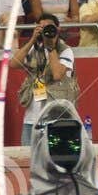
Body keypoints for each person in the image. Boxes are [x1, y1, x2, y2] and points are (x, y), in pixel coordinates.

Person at [13, 14, 78, 147]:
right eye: (43, 27)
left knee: (56, 159)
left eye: (50, 27)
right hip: (32, 119)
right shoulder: (34, 49)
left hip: (57, 118)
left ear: (58, 29)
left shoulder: (65, 51)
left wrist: (51, 47)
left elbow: (57, 75)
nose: (47, 31)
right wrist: (32, 40)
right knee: (28, 159)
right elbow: (13, 64)